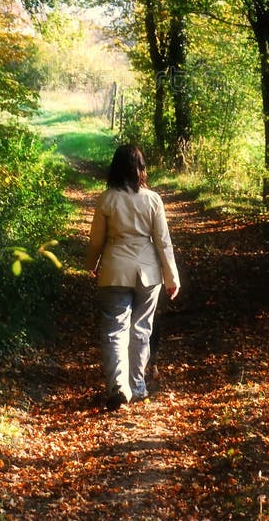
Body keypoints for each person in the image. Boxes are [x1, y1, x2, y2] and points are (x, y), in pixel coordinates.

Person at [86, 143, 180, 411]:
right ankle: (137, 386)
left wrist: (91, 264)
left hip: (115, 268)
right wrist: (172, 277)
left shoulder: (107, 199)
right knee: (141, 329)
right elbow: (163, 241)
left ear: (114, 168)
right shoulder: (153, 200)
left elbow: (96, 241)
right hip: (148, 272)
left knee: (115, 328)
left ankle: (118, 388)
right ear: (141, 168)